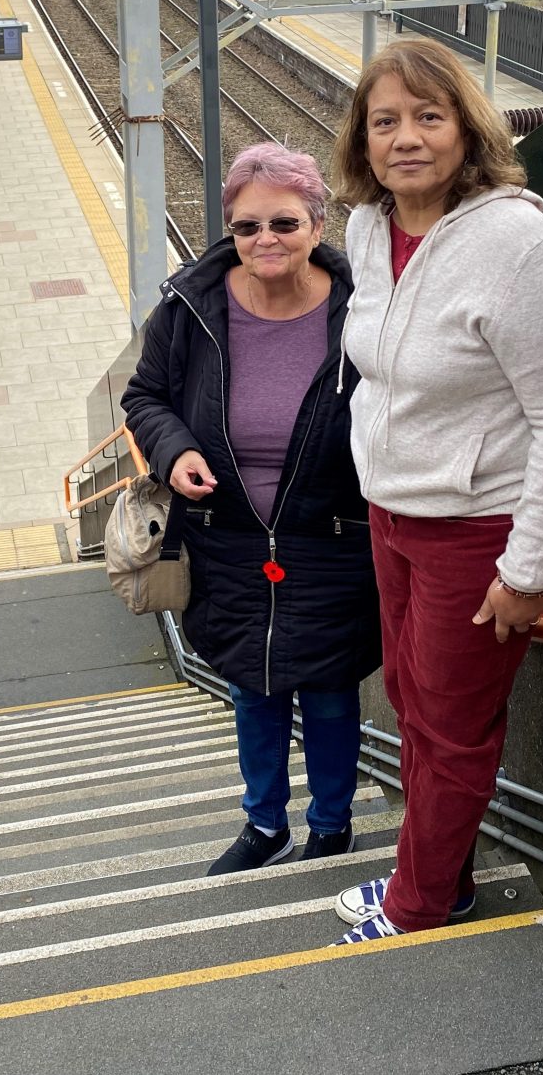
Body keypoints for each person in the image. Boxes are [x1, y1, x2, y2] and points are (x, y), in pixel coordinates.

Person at [327, 37, 543, 944]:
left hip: (478, 529)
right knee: (409, 699)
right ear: (362, 140)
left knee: (452, 727)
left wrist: (526, 572)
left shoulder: (517, 245)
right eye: (385, 120)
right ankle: (440, 876)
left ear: (466, 129)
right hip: (392, 515)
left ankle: (420, 903)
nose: (406, 138)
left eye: (428, 117)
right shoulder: (366, 228)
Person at [121, 143, 379, 876]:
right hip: (228, 537)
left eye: (285, 224)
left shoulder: (362, 303)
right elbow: (146, 397)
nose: (265, 240)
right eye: (246, 227)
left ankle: (331, 825)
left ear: (318, 223)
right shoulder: (191, 308)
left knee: (330, 691)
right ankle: (265, 825)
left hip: (330, 537)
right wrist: (173, 452)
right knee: (250, 684)